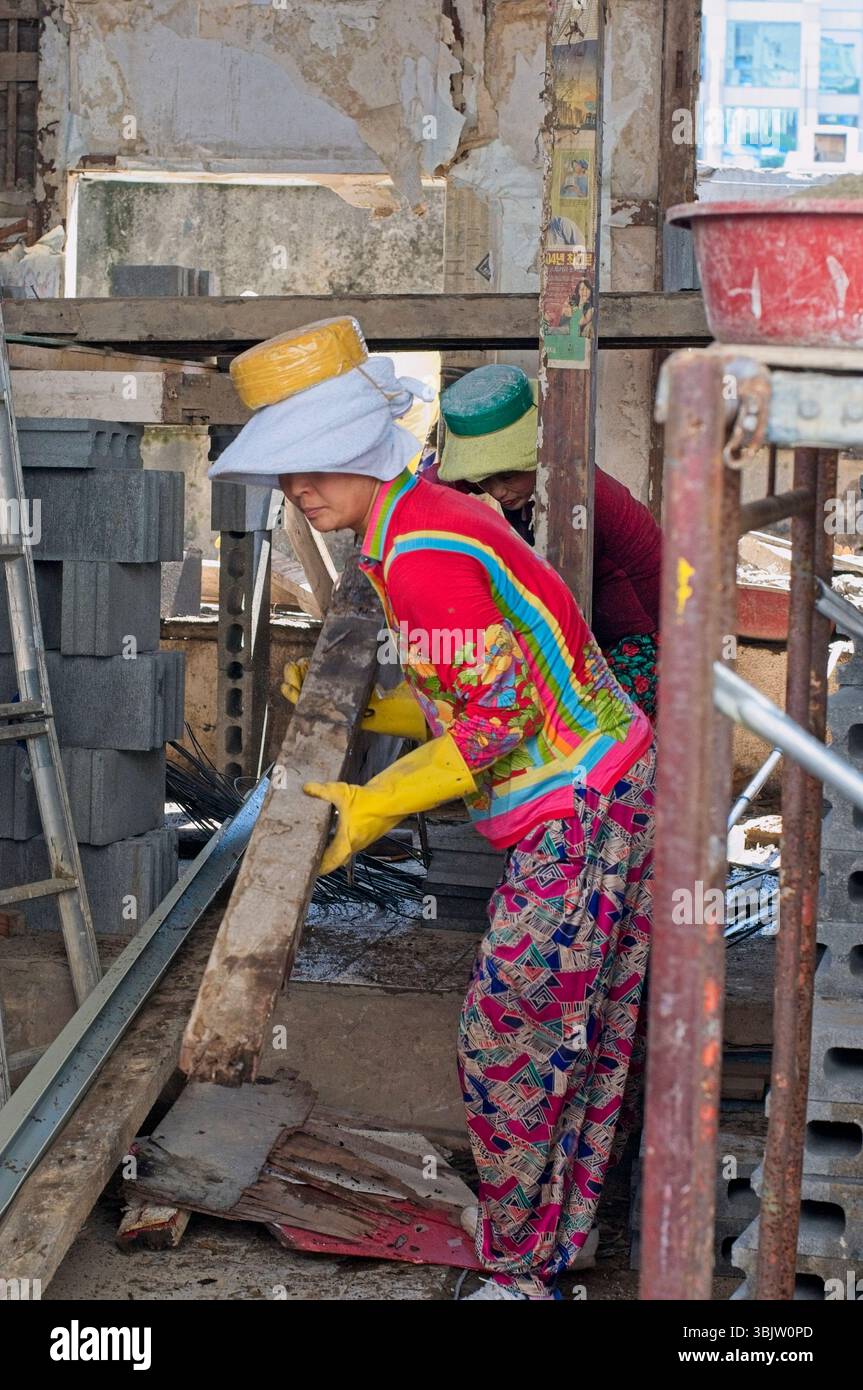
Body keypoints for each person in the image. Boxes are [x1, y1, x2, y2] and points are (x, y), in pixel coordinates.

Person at [210, 319, 656, 1301]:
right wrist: (388, 709)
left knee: (505, 1038)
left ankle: (525, 1272)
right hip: (604, 784)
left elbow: (496, 723)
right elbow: (488, 676)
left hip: (579, 806)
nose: (298, 488)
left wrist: (376, 800)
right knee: (571, 1032)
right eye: (287, 472)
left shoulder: (416, 553)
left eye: (313, 465)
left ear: (364, 450)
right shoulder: (418, 520)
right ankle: (547, 1258)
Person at [431, 363, 661, 720]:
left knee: (587, 722)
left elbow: (550, 601)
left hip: (647, 638)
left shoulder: (580, 499)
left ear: (539, 453)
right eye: (483, 480)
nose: (497, 491)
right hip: (597, 630)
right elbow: (437, 486)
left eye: (505, 475)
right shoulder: (529, 485)